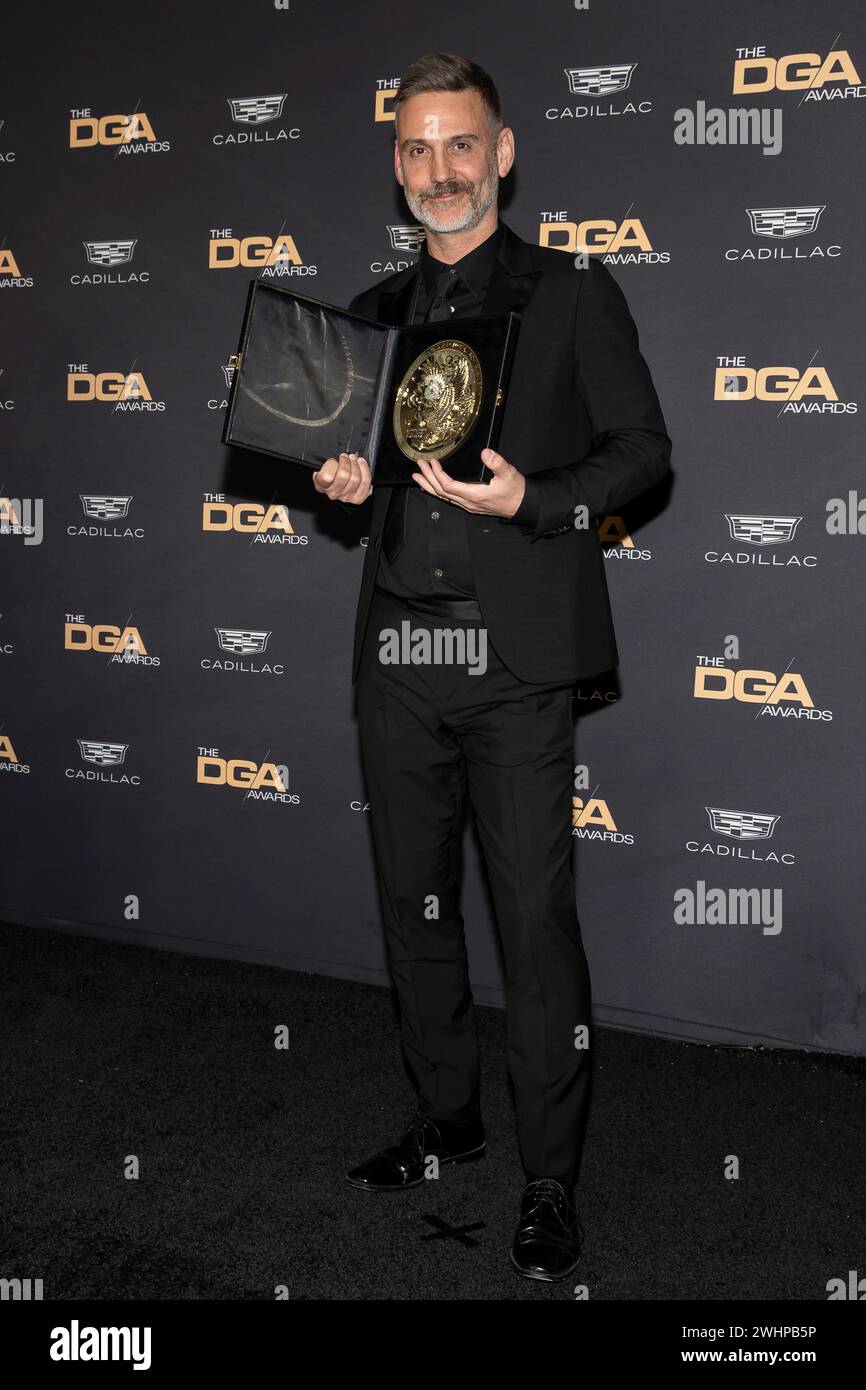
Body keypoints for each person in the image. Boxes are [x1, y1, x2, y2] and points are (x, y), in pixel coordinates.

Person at [312, 51, 672, 1283]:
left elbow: (641, 452)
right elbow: (354, 479)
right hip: (400, 654)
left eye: (458, 144)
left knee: (529, 924)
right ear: (396, 165)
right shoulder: (371, 314)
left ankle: (548, 1176)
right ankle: (447, 1123)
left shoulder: (572, 293)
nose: (438, 170)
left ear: (502, 153)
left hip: (514, 664)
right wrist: (340, 482)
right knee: (414, 911)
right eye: (414, 149)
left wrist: (537, 498)